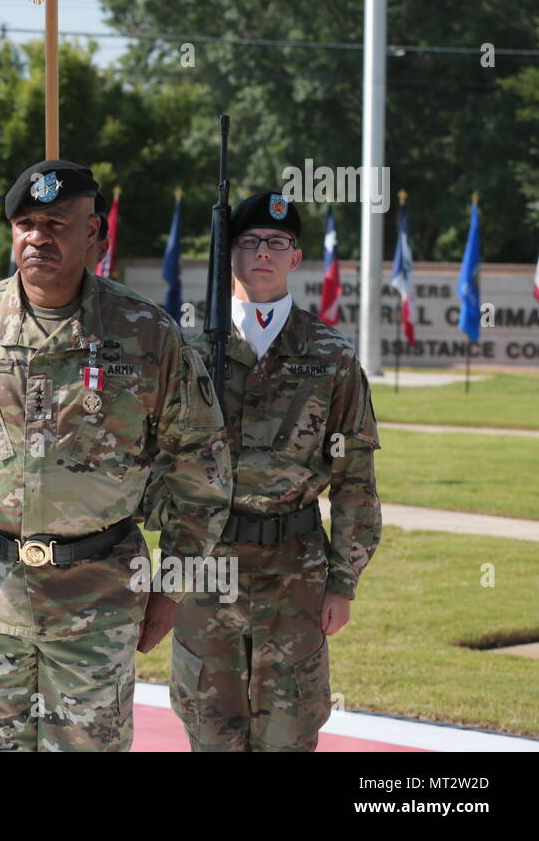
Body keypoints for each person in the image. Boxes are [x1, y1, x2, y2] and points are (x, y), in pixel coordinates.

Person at [0, 158, 232, 751]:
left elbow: (200, 471)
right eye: (25, 223)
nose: (38, 238)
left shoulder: (148, 335)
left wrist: (173, 586)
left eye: (56, 222)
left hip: (99, 599)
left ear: (94, 232)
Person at [170, 191, 381, 752]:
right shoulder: (187, 350)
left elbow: (356, 478)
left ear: (297, 257)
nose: (263, 252)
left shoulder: (330, 355)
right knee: (210, 730)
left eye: (277, 243)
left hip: (297, 573)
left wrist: (344, 580)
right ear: (227, 254)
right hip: (206, 569)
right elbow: (149, 464)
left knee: (290, 732)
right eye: (249, 241)